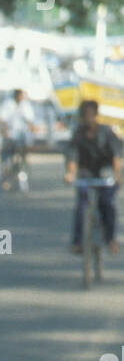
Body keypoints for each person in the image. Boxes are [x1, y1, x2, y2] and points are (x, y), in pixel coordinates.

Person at [64, 99, 122, 254]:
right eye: (84, 115)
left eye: (90, 115)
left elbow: (116, 154)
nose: (87, 119)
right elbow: (72, 156)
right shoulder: (78, 134)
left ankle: (110, 239)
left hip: (105, 172)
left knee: (107, 204)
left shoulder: (106, 132)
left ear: (96, 115)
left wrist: (117, 175)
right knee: (82, 206)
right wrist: (70, 174)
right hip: (86, 173)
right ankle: (77, 242)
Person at [0, 88, 36, 189]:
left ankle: (19, 172)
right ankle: (5, 177)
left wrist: (31, 135)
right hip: (10, 135)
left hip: (22, 136)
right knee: (6, 157)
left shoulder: (26, 106)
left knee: (23, 157)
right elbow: (3, 120)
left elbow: (30, 121)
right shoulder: (7, 104)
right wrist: (5, 133)